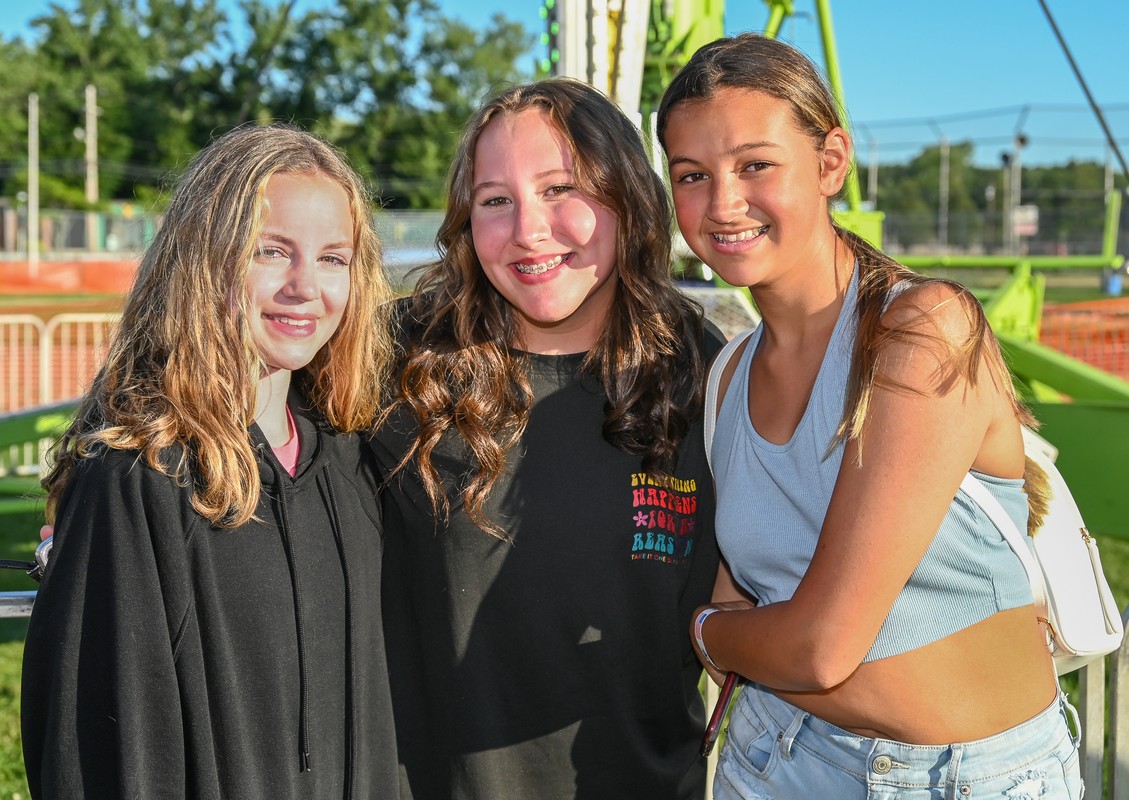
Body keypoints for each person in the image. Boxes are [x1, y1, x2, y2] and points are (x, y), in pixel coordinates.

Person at [655, 33, 1081, 799]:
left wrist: (701, 634)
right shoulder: (724, 376)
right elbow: (738, 592)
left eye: (755, 164)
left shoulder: (921, 329)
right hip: (773, 759)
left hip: (969, 778)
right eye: (692, 175)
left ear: (829, 163)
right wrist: (738, 630)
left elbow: (819, 647)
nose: (721, 203)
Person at [21, 124, 400, 800]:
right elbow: (99, 754)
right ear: (205, 259)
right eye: (270, 251)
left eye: (332, 258)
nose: (303, 286)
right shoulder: (140, 477)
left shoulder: (346, 460)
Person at [372, 78, 726, 799]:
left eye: (561, 188)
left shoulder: (701, 368)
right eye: (495, 200)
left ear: (628, 196)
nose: (528, 231)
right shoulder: (395, 362)